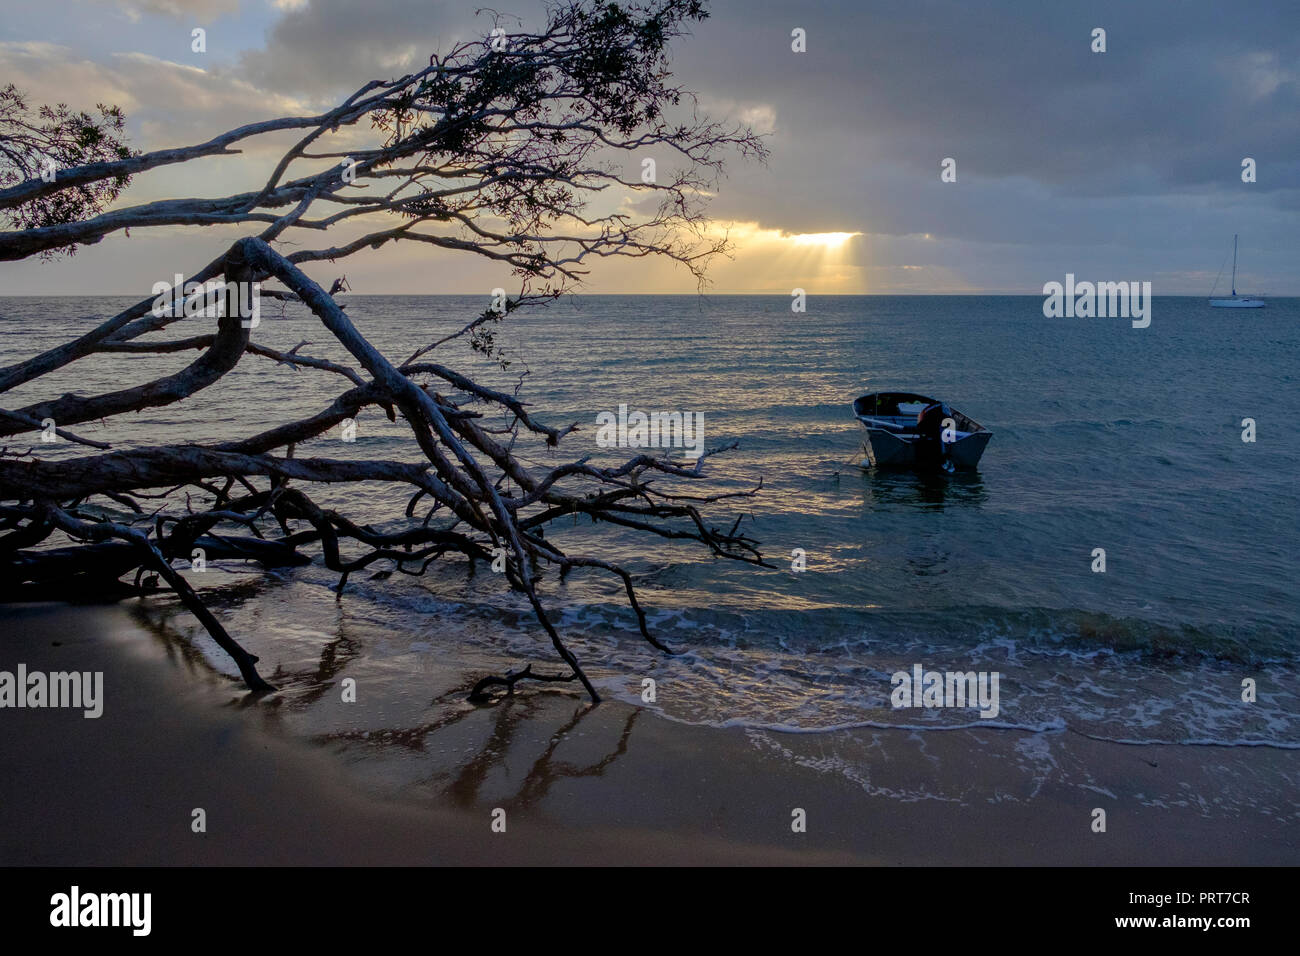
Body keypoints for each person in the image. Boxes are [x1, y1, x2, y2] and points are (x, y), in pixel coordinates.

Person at [915, 401, 956, 472]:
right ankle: (942, 457)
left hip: (933, 432)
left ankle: (941, 457)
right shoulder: (942, 415)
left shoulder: (939, 415)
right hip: (935, 431)